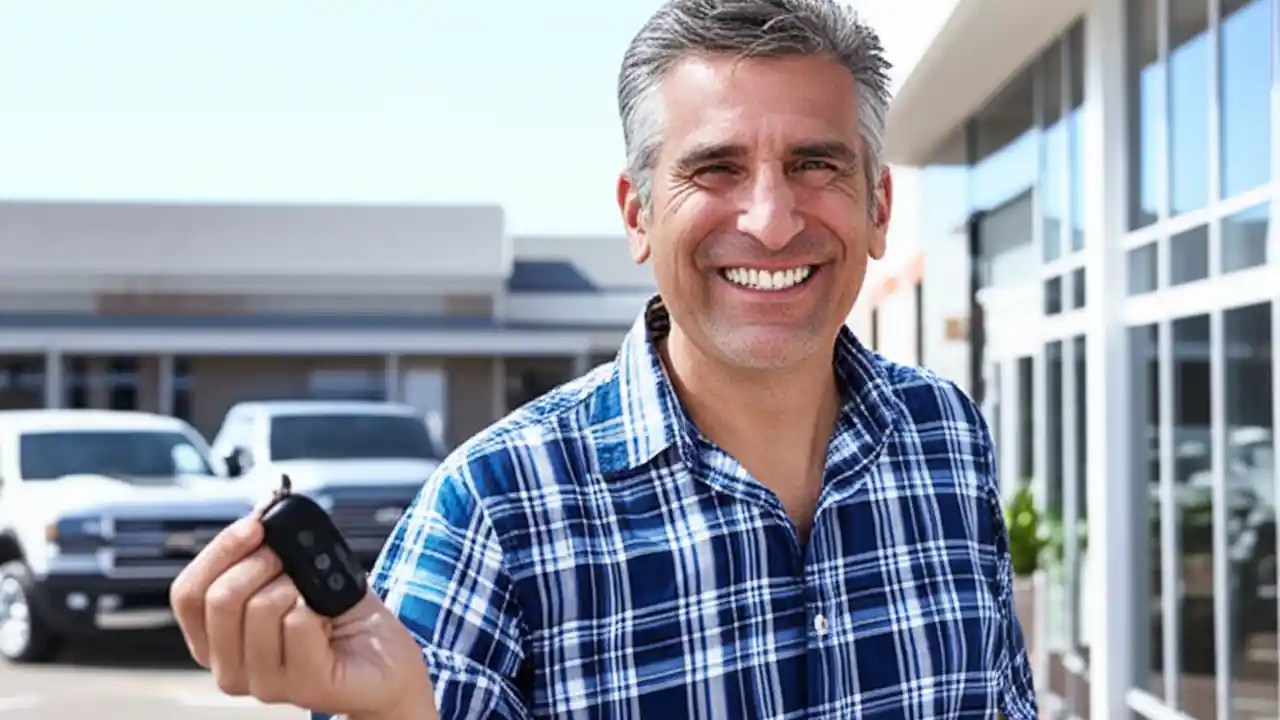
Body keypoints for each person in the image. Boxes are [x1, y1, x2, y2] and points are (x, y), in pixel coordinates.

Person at [170, 0, 1039, 717]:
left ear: (878, 206)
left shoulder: (946, 436)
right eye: (717, 169)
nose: (773, 220)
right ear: (636, 214)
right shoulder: (495, 510)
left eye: (816, 164)